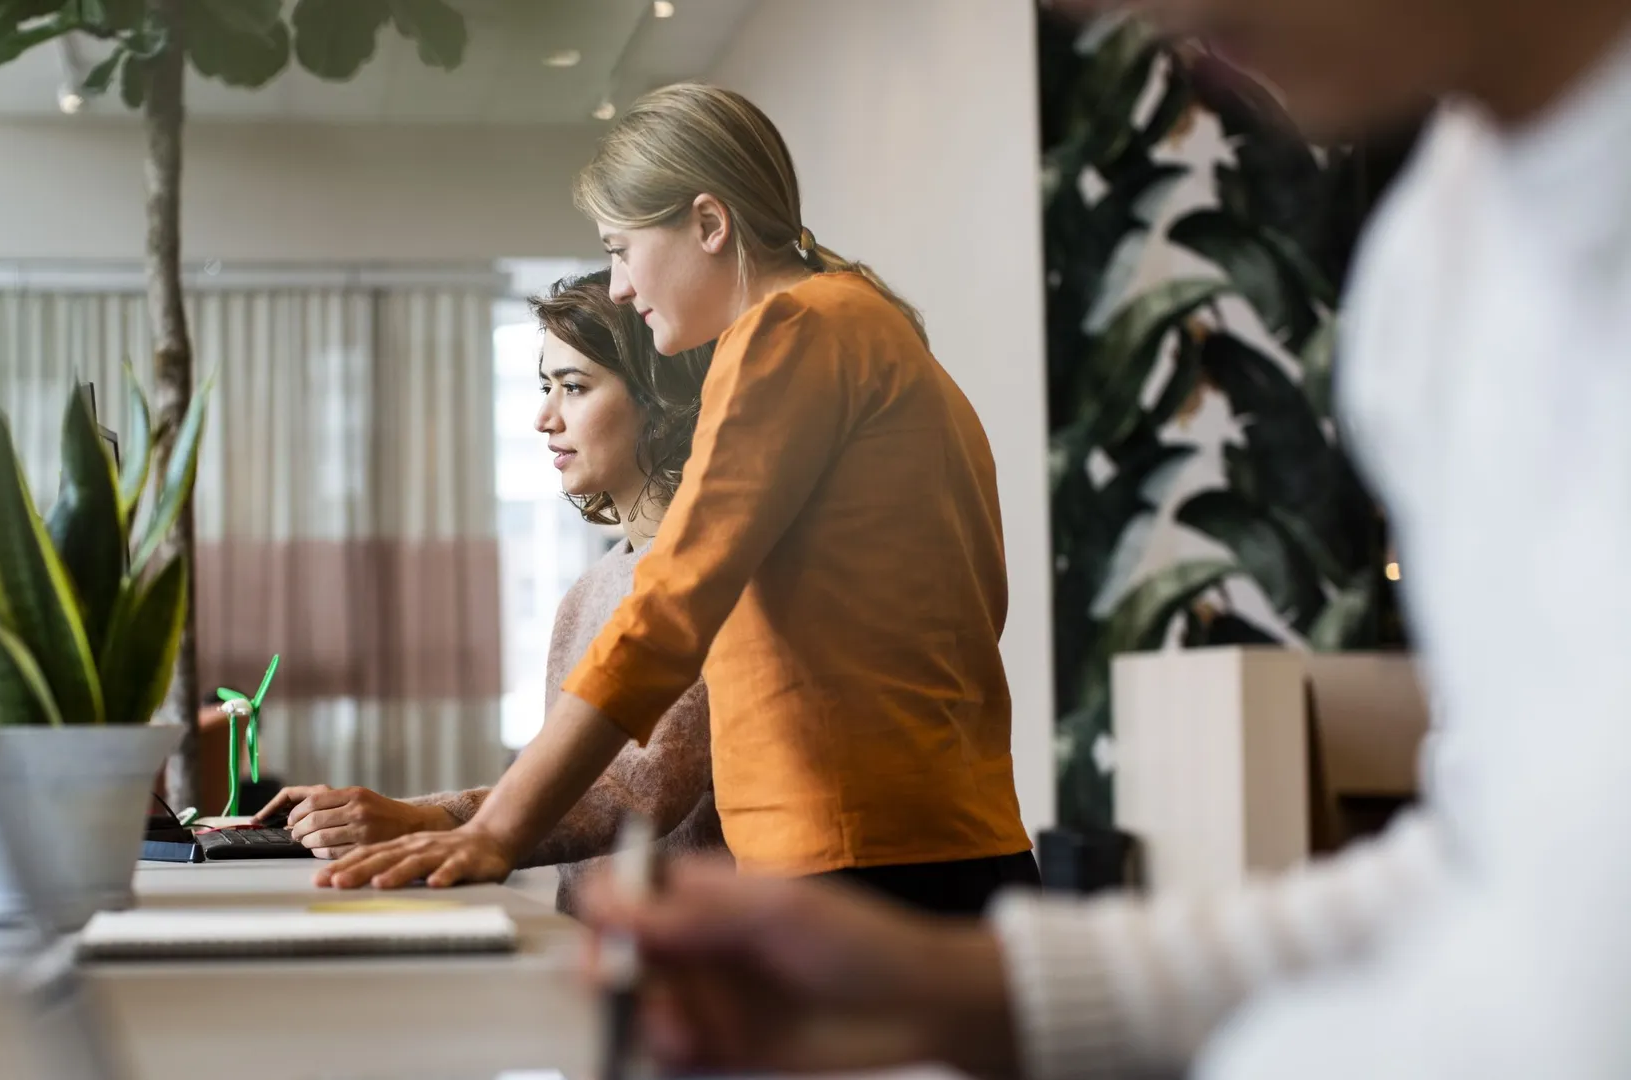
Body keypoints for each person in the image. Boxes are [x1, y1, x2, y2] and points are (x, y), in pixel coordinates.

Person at [581, 2, 1631, 1078]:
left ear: (708, 222)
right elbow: (1500, 868)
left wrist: (503, 828)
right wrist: (969, 991)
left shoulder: (809, 330)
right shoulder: (1438, 272)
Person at [319, 83, 1039, 917]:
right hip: (943, 846)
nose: (621, 286)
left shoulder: (790, 331)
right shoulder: (874, 329)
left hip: (865, 864)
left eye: (622, 250)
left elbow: (669, 610)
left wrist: (495, 833)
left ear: (708, 223)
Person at [253, 270, 725, 915]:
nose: (544, 418)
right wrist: (404, 815)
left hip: (685, 953)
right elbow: (565, 780)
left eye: (574, 387)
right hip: (591, 940)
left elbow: (636, 789)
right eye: (545, 387)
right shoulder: (590, 590)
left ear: (660, 401)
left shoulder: (712, 571)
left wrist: (429, 820)